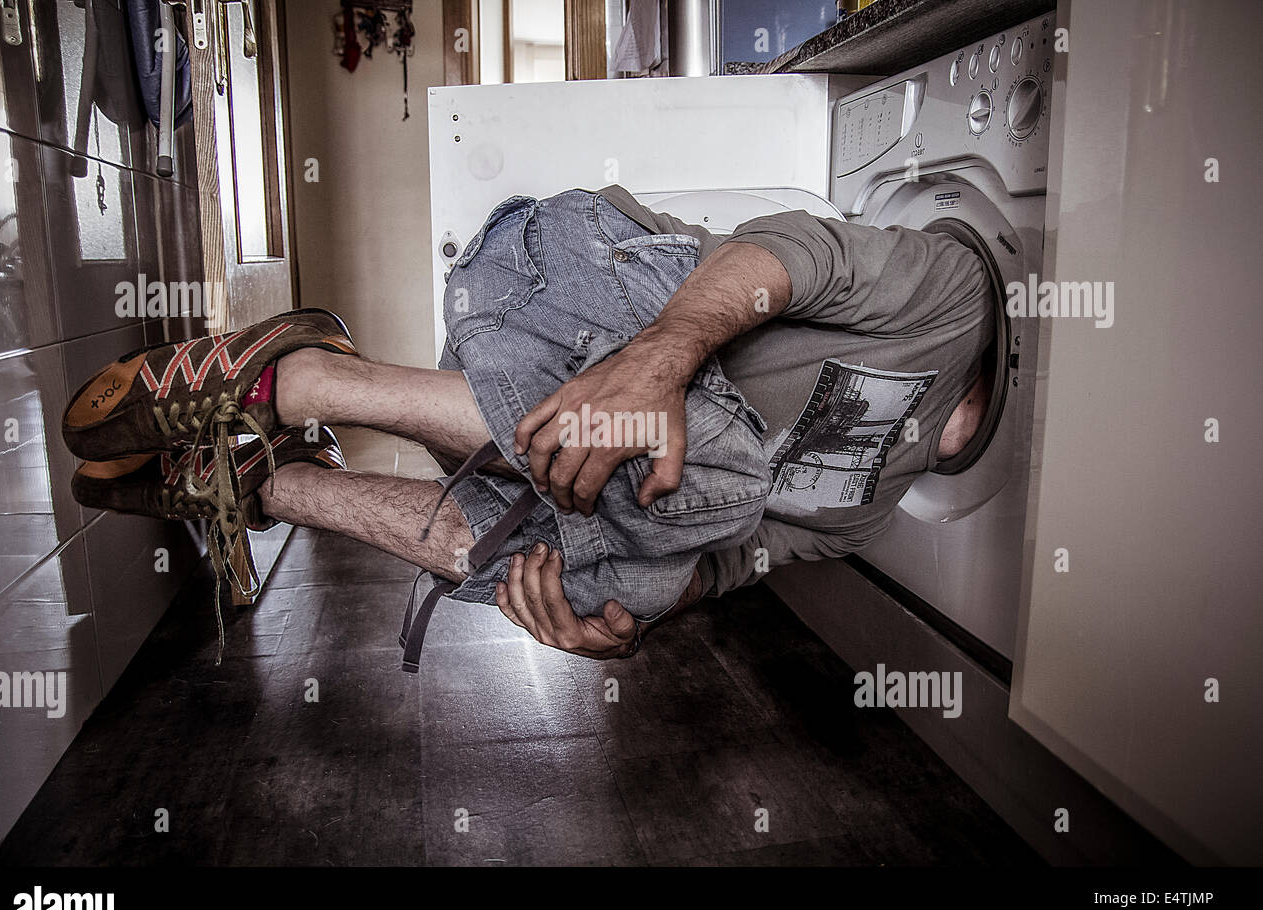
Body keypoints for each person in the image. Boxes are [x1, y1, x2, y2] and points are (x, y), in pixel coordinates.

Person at [62, 185, 993, 668]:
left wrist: (622, 625)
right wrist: (659, 360)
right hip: (572, 277)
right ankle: (299, 379)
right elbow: (791, 253)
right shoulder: (956, 298)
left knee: (645, 554)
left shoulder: (865, 521)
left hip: (548, 417)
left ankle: (271, 479)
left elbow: (723, 564)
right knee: (722, 470)